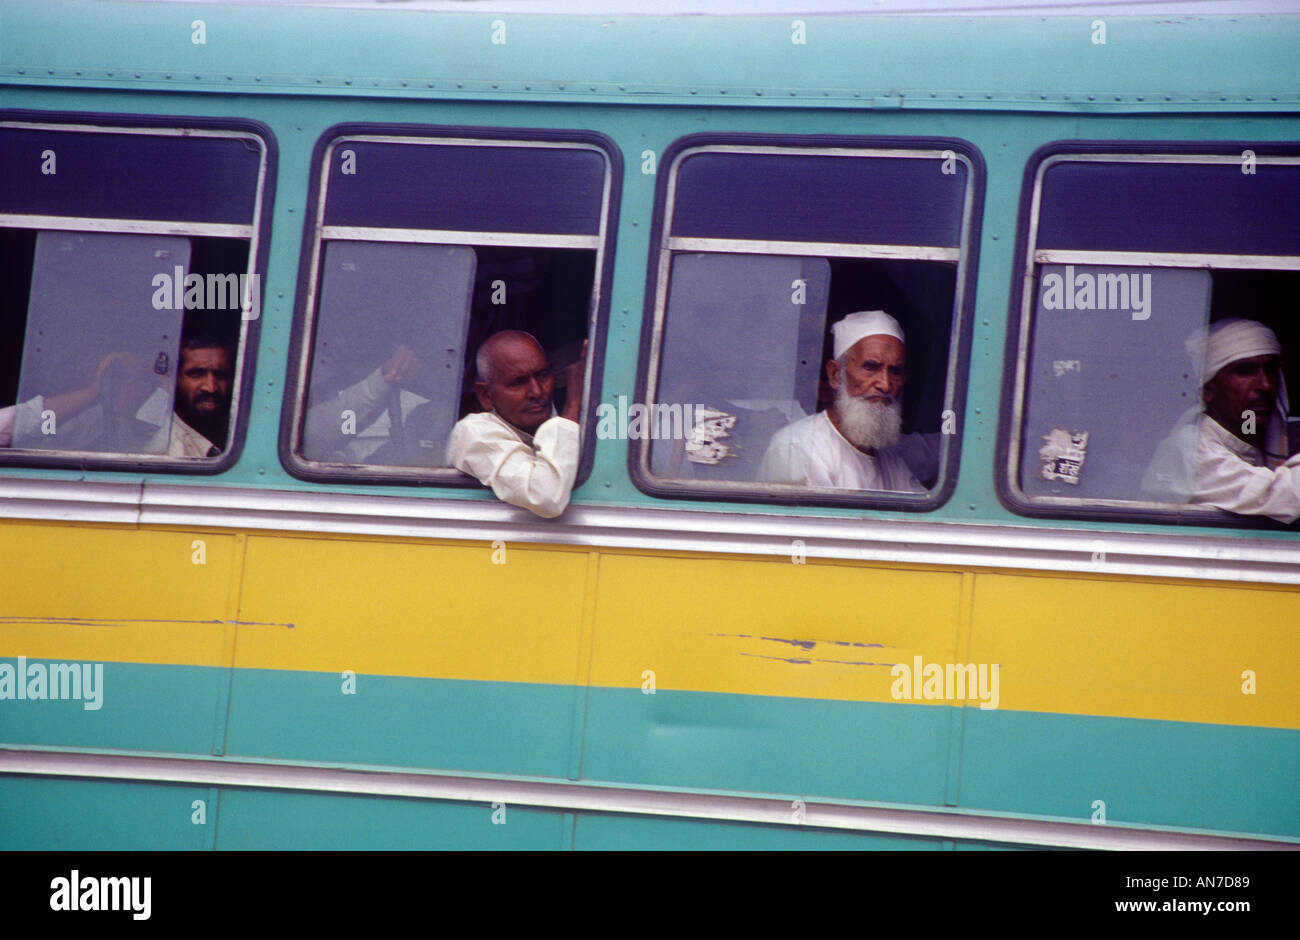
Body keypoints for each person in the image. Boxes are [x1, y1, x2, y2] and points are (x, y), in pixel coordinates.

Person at [1141, 318, 1300, 523]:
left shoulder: (1248, 432)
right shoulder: (1189, 450)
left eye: (1270, 370)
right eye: (1245, 371)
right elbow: (1283, 496)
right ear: (1208, 390)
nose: (1266, 385)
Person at [757, 310, 925, 493]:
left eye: (895, 371)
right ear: (835, 375)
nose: (885, 384)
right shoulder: (798, 448)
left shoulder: (889, 459)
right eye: (870, 367)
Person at [0, 335, 234, 457]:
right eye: (122, 376)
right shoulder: (91, 424)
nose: (210, 387)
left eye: (147, 378)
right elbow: (5, 429)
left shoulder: (167, 427)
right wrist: (92, 394)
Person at [446, 330, 586, 518]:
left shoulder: (553, 421)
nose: (537, 391)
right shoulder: (474, 432)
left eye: (543, 375)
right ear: (486, 395)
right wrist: (574, 402)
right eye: (518, 383)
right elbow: (546, 496)